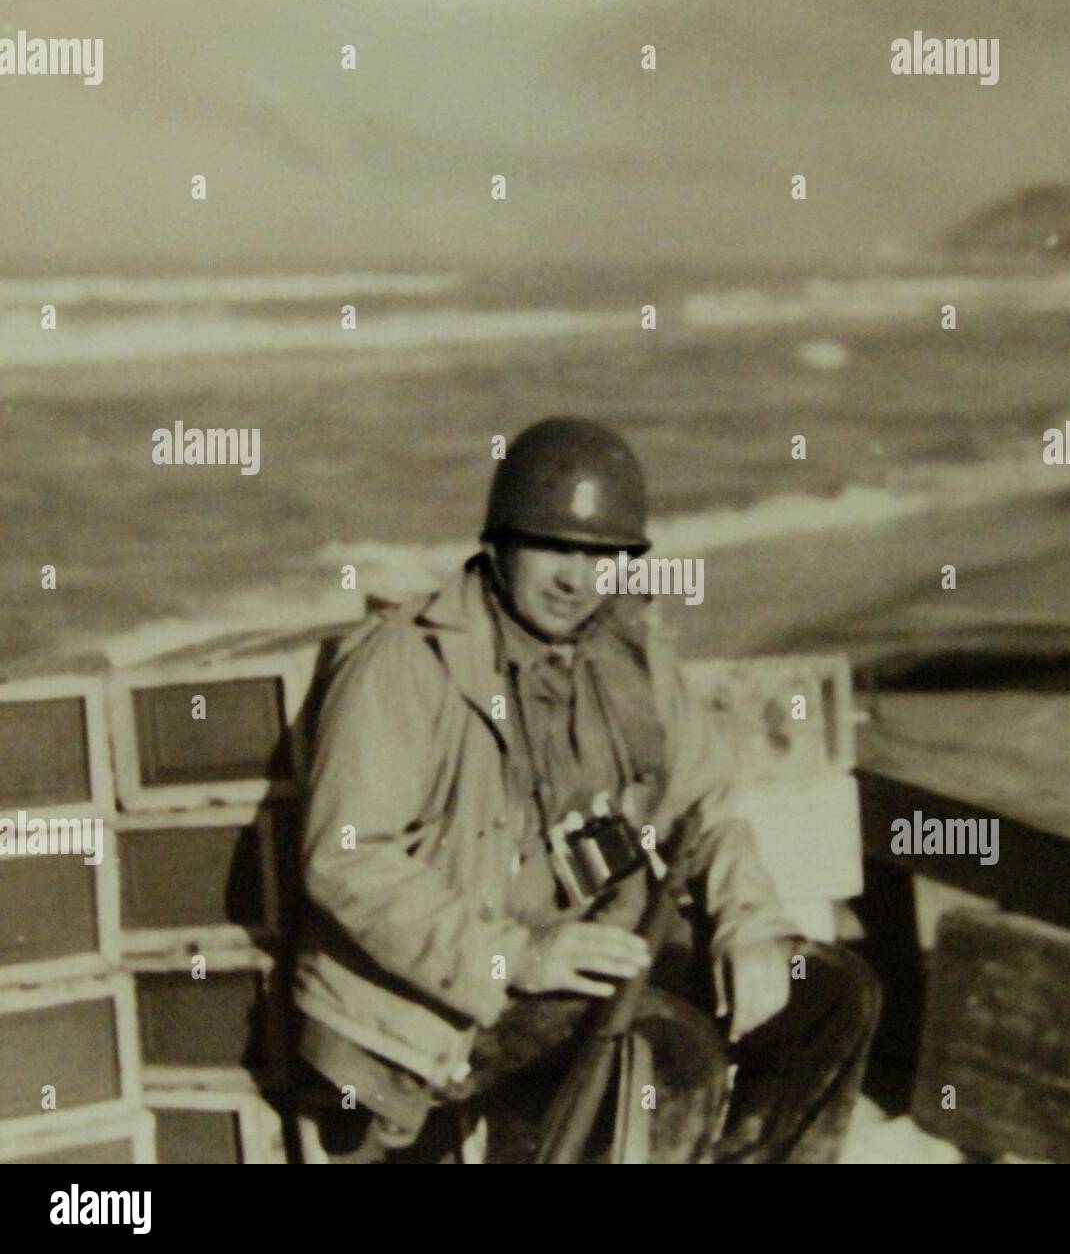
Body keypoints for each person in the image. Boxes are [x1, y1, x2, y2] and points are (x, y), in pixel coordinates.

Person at [293, 416, 880, 1163]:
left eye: (602, 555)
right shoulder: (408, 663)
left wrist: (748, 924)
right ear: (500, 541)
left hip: (599, 951)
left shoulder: (627, 654)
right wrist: (517, 955)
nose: (578, 580)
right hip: (453, 989)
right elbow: (345, 859)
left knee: (830, 995)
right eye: (553, 548)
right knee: (668, 1053)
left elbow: (708, 805)